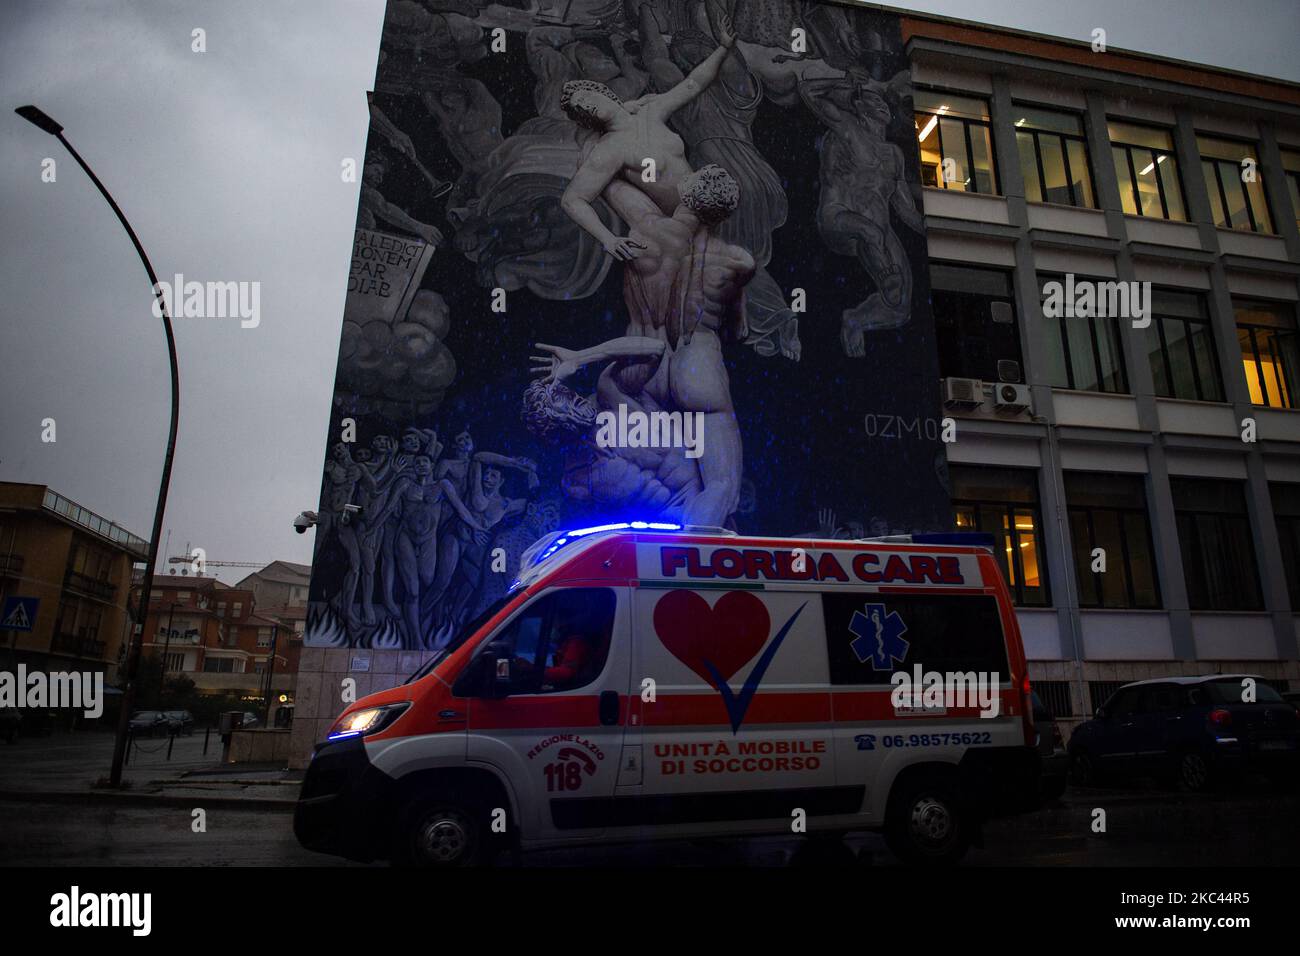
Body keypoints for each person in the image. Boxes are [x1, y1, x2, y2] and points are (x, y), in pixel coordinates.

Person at [557, 13, 737, 260]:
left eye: (585, 98)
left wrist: (724, 47)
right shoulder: (609, 149)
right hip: (681, 227)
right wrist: (608, 239)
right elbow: (572, 199)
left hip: (711, 205)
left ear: (602, 92)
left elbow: (693, 84)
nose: (585, 106)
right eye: (580, 109)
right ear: (585, 119)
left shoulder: (651, 111)